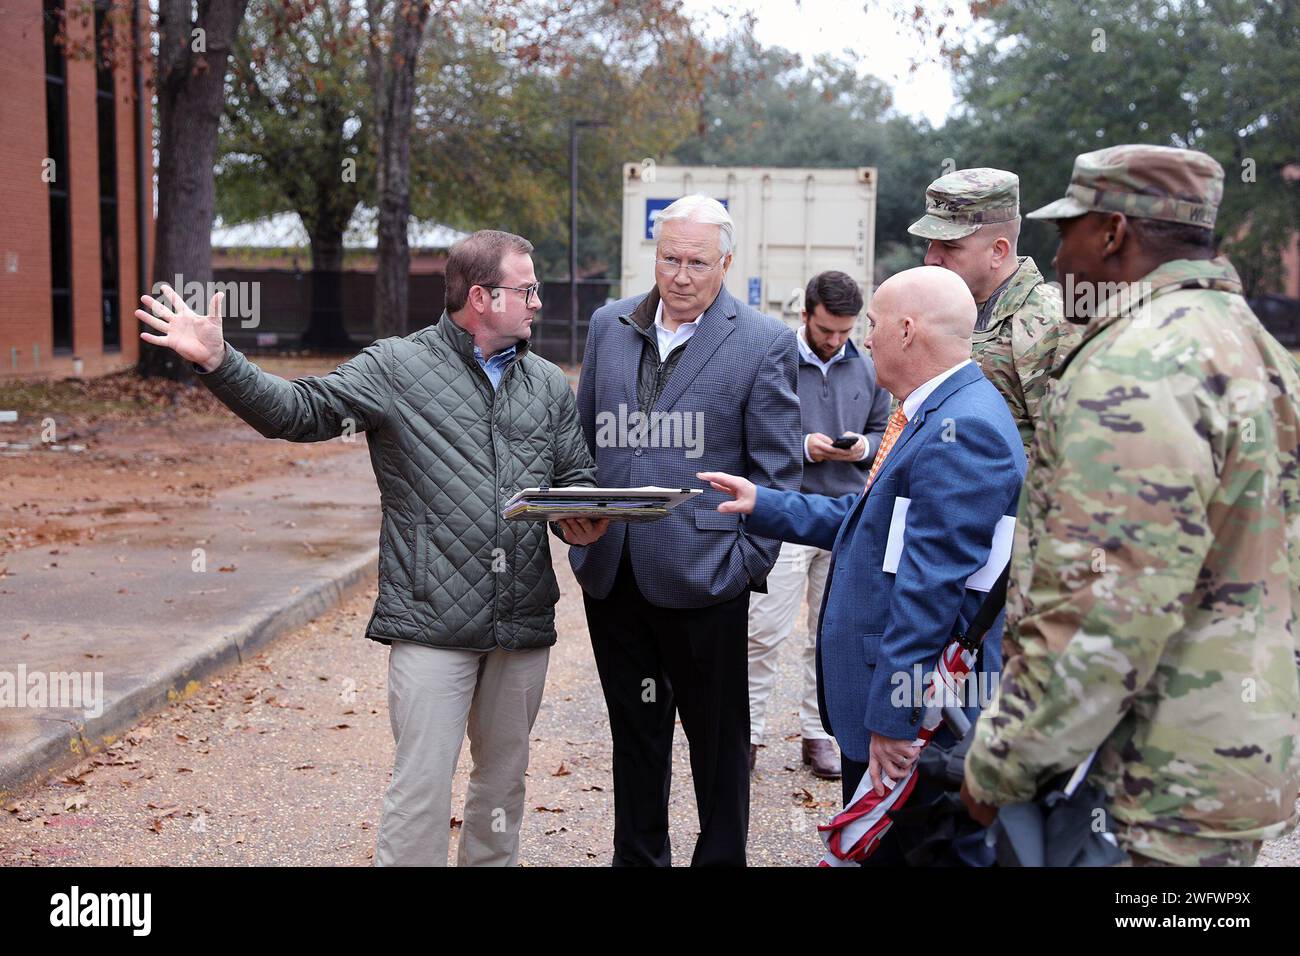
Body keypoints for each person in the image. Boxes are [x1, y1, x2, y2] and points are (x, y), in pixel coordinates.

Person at [135, 230, 604, 867]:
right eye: (526, 291)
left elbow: (573, 482)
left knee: (503, 786)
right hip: (431, 618)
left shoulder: (547, 385)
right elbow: (298, 413)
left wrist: (585, 517)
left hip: (521, 622)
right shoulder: (396, 367)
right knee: (421, 791)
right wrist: (222, 364)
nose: (538, 303)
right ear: (480, 298)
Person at [960, 144, 1300, 867]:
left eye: (1067, 233)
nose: (1057, 260)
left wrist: (996, 767)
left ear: (1113, 233)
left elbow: (1103, 612)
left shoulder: (1137, 368)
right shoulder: (1261, 350)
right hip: (1229, 759)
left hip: (1139, 784)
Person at [703, 265, 1025, 865]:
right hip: (900, 707)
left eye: (874, 325)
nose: (866, 338)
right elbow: (871, 525)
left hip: (915, 718)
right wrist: (764, 502)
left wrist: (894, 722)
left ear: (907, 331)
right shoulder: (939, 409)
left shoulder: (965, 430)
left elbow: (930, 590)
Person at [571, 194, 802, 866]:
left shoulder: (762, 343)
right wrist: (577, 527)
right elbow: (583, 444)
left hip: (707, 577)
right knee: (635, 736)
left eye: (696, 262)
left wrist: (743, 564)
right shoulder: (608, 324)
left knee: (718, 743)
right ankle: (638, 859)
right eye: (669, 257)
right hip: (614, 573)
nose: (679, 274)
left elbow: (777, 472)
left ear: (725, 263)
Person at [747, 270, 890, 780]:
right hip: (789, 512)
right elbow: (759, 425)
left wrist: (864, 447)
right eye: (826, 329)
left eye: (844, 332)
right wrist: (808, 446)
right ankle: (749, 736)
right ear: (805, 315)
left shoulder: (870, 368)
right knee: (763, 631)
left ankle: (818, 735)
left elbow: (883, 427)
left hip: (848, 517)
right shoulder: (776, 360)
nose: (835, 341)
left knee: (830, 634)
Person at [908, 167, 1080, 455]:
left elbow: (1065, 454)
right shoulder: (929, 310)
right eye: (929, 243)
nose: (930, 258)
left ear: (998, 251)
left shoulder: (1052, 325)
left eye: (950, 246)